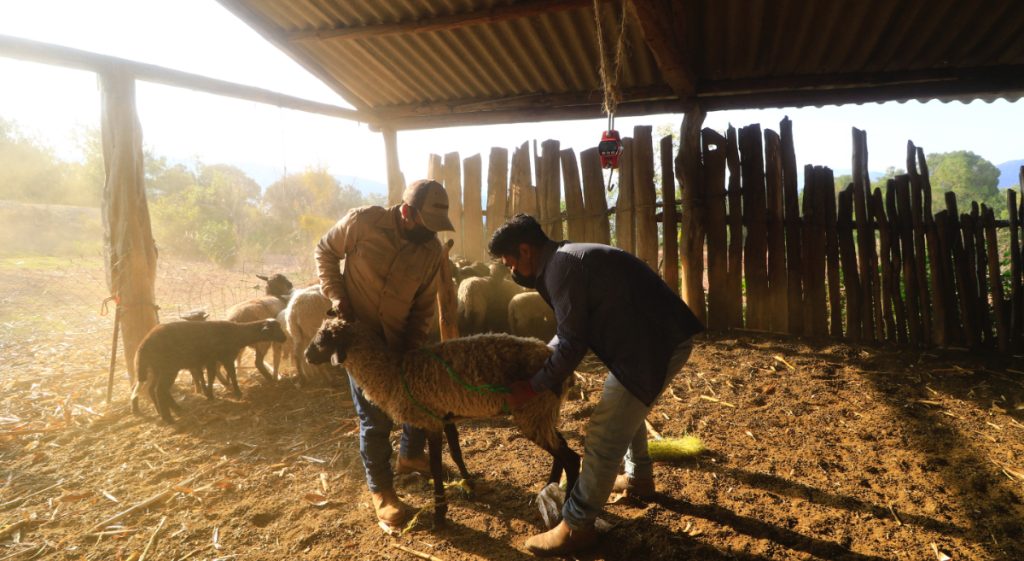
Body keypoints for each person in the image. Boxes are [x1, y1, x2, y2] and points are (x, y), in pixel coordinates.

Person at [488, 214, 704, 557]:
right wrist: (543, 357)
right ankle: (640, 478)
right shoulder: (563, 260)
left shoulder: (561, 269)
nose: (511, 271)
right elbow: (568, 331)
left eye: (510, 262)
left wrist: (532, 387)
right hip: (651, 338)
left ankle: (576, 527)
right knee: (624, 405)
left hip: (653, 343)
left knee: (604, 431)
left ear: (525, 251)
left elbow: (573, 345)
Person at [314, 179, 455, 530]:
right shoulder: (363, 222)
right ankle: (382, 492)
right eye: (427, 225)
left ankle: (409, 455)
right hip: (357, 341)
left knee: (417, 399)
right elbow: (325, 250)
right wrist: (336, 296)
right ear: (407, 212)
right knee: (374, 418)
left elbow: (423, 305)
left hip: (398, 340)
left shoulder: (430, 252)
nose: (432, 234)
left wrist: (412, 348)